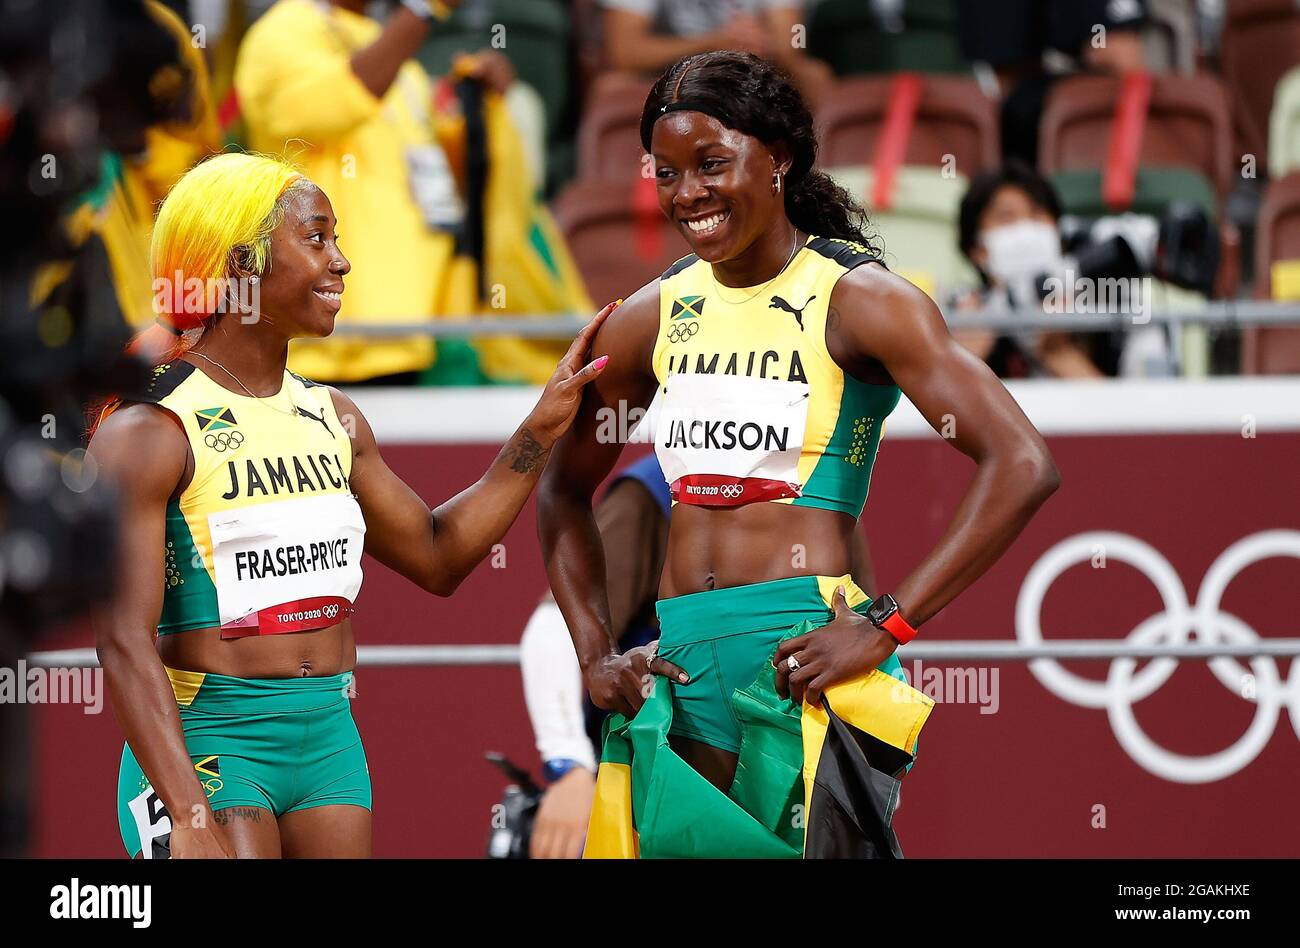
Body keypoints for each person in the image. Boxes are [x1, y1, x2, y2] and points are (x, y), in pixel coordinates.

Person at [537, 51, 1059, 858]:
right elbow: (560, 493)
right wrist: (595, 651)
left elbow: (1022, 462)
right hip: (676, 667)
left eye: (712, 164)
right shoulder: (652, 315)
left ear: (778, 156)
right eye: (667, 173)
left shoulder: (861, 299)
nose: (689, 195)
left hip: (803, 658)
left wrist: (889, 624)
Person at [87, 152, 611, 858]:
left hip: (329, 738)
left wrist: (537, 431)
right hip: (212, 741)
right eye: (317, 238)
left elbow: (440, 556)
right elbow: (121, 638)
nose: (342, 261)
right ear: (242, 263)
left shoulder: (334, 417)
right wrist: (188, 813)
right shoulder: (150, 428)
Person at [521, 450, 883, 858]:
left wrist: (864, 767)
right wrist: (568, 765)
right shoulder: (655, 492)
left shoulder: (824, 492)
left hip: (802, 771)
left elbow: (860, 640)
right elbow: (551, 633)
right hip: (668, 776)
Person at [234, 0, 518, 384]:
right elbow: (333, 104)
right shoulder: (281, 31)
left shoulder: (390, 48)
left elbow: (427, 156)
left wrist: (477, 102)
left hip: (410, 329)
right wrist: (422, 10)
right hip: (328, 344)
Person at [953, 160, 1108, 379]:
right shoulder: (956, 318)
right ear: (977, 250)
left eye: (1037, 214)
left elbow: (1143, 411)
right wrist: (962, 358)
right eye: (1006, 217)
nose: (1026, 229)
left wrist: (1060, 355)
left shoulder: (1105, 310)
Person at [599, 0, 834, 104]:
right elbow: (624, 52)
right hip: (671, 72)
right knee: (611, 87)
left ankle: (814, 179)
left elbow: (795, 38)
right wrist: (712, 44)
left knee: (814, 74)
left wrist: (766, 43)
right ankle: (629, 193)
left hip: (753, 63)